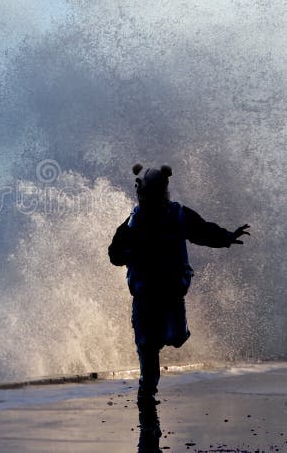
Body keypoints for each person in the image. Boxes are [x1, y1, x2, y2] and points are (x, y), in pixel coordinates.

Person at [108, 163, 249, 403]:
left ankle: (160, 339)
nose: (151, 201)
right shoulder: (133, 223)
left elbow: (202, 231)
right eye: (146, 195)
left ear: (163, 192)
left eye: (155, 195)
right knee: (146, 344)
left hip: (172, 292)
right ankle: (146, 392)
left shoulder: (178, 215)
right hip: (144, 294)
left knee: (177, 337)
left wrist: (226, 237)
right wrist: (128, 252)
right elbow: (114, 254)